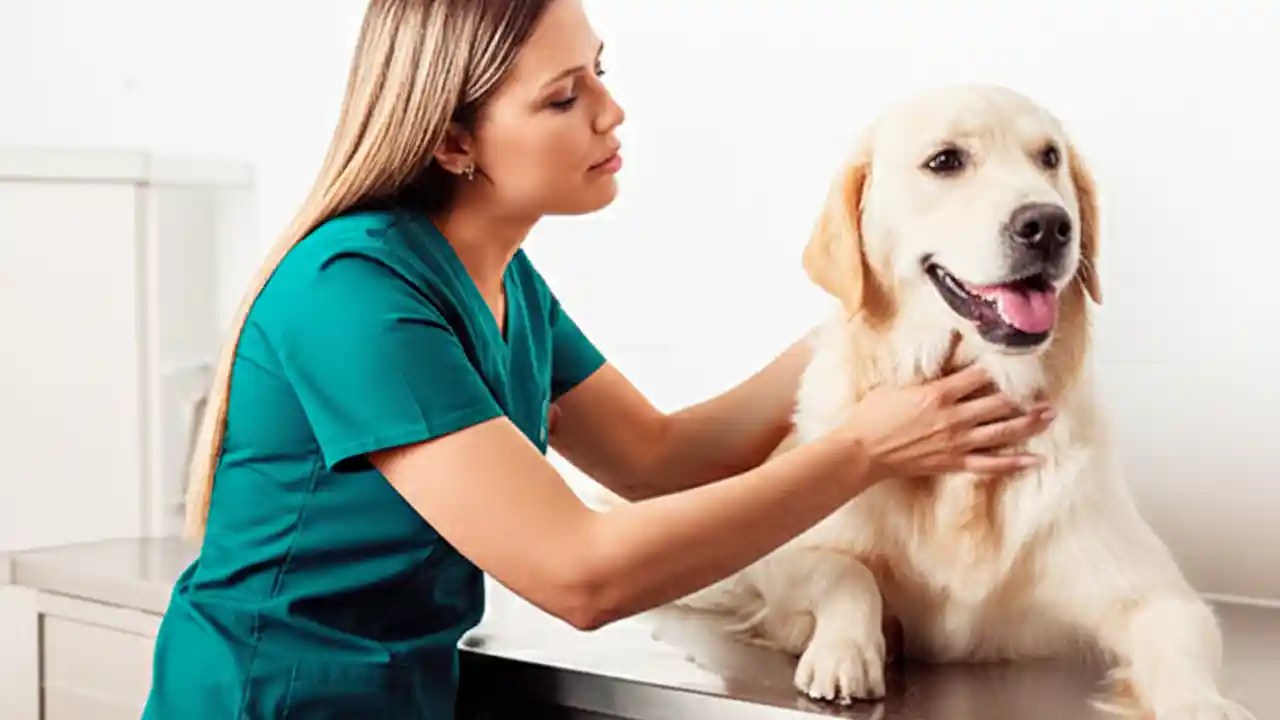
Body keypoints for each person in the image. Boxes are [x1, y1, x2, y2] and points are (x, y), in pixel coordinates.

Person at [141, 0, 1055, 717]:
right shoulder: (354, 294)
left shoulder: (503, 281)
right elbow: (580, 573)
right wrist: (864, 450)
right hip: (263, 704)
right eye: (563, 96)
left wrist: (867, 333)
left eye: (601, 73)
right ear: (454, 140)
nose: (611, 112)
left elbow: (659, 458)